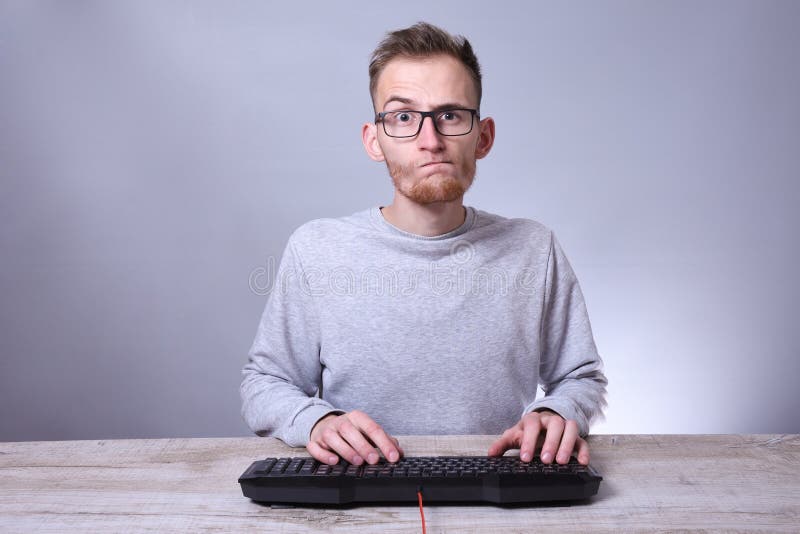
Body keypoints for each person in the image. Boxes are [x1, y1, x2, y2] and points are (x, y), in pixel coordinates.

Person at [241, 22, 607, 468]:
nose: (430, 141)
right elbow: (264, 383)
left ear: (483, 136)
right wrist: (315, 421)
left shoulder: (534, 248)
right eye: (403, 117)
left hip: (501, 496)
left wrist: (555, 412)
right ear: (374, 141)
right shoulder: (316, 249)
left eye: (450, 115)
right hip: (360, 495)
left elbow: (580, 379)